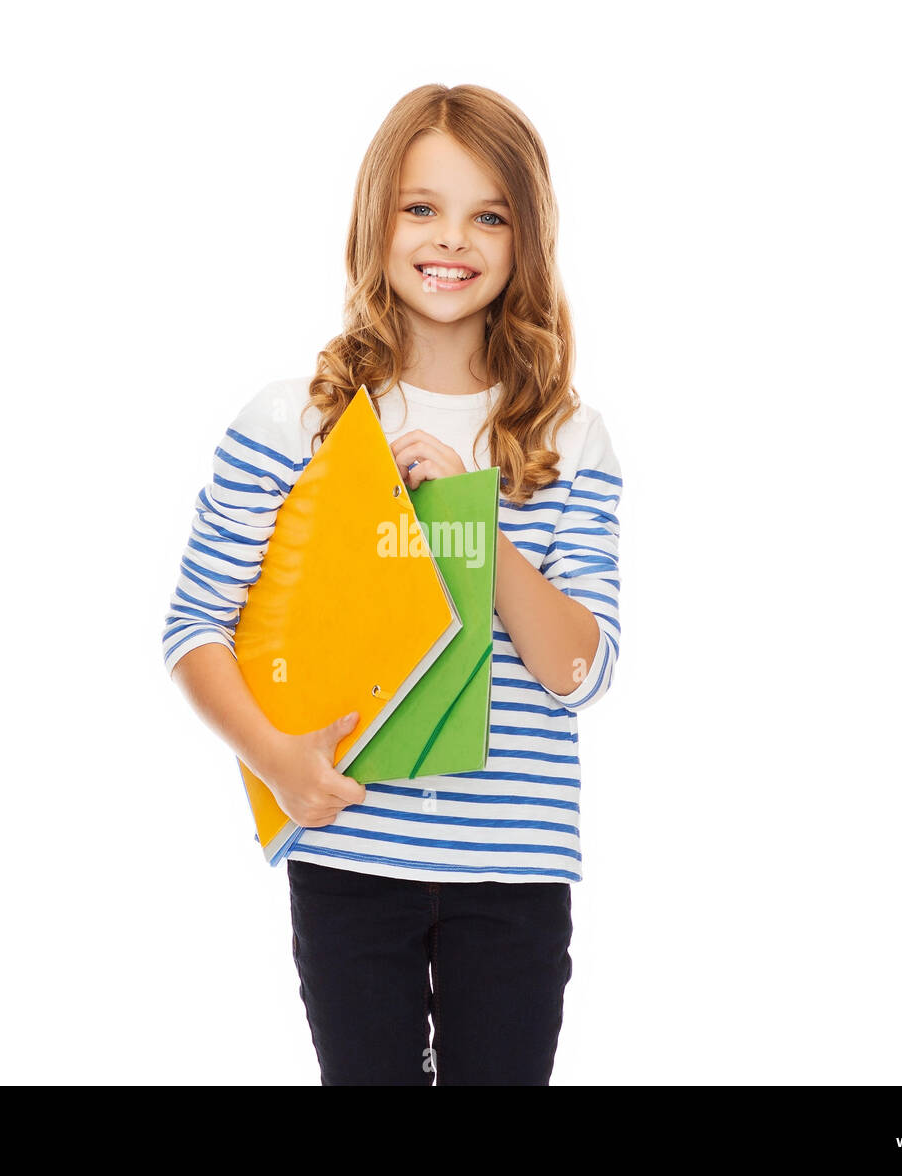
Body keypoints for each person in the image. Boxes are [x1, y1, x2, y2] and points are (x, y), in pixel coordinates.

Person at [161, 84, 623, 1085]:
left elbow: (581, 672)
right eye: (421, 207)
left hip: (513, 869)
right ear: (376, 220)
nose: (449, 238)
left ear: (525, 238)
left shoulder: (564, 438)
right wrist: (277, 762)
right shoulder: (298, 421)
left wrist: (473, 516)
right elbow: (195, 625)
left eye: (487, 214)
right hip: (350, 850)